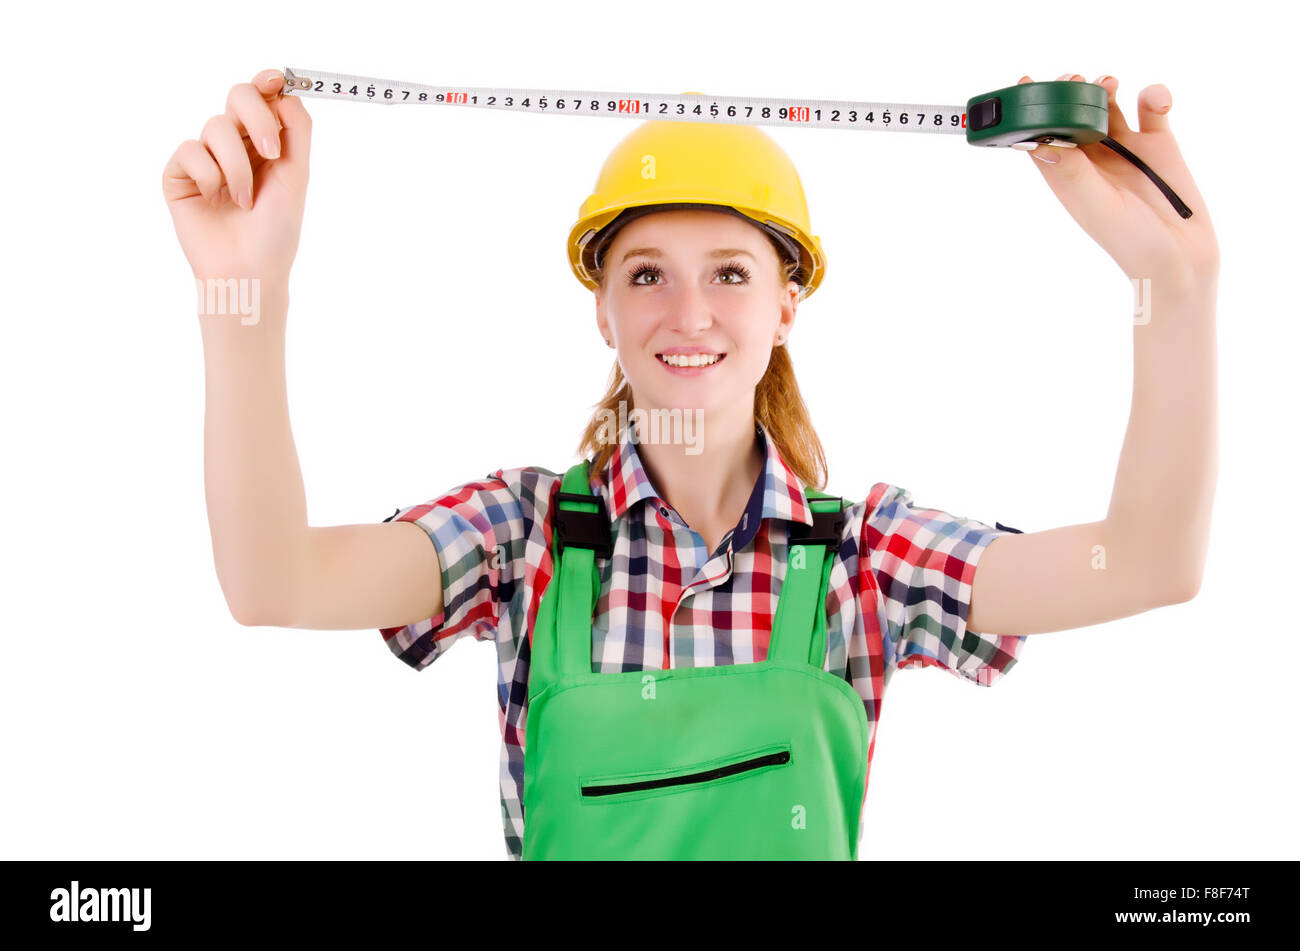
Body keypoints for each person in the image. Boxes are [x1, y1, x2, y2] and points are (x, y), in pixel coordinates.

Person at [163, 68, 1219, 860]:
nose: (689, 313)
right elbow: (274, 582)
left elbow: (1145, 563)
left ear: (786, 305)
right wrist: (241, 300)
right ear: (603, 310)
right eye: (646, 275)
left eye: (729, 273)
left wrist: (1176, 287)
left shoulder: (865, 559)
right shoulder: (521, 537)